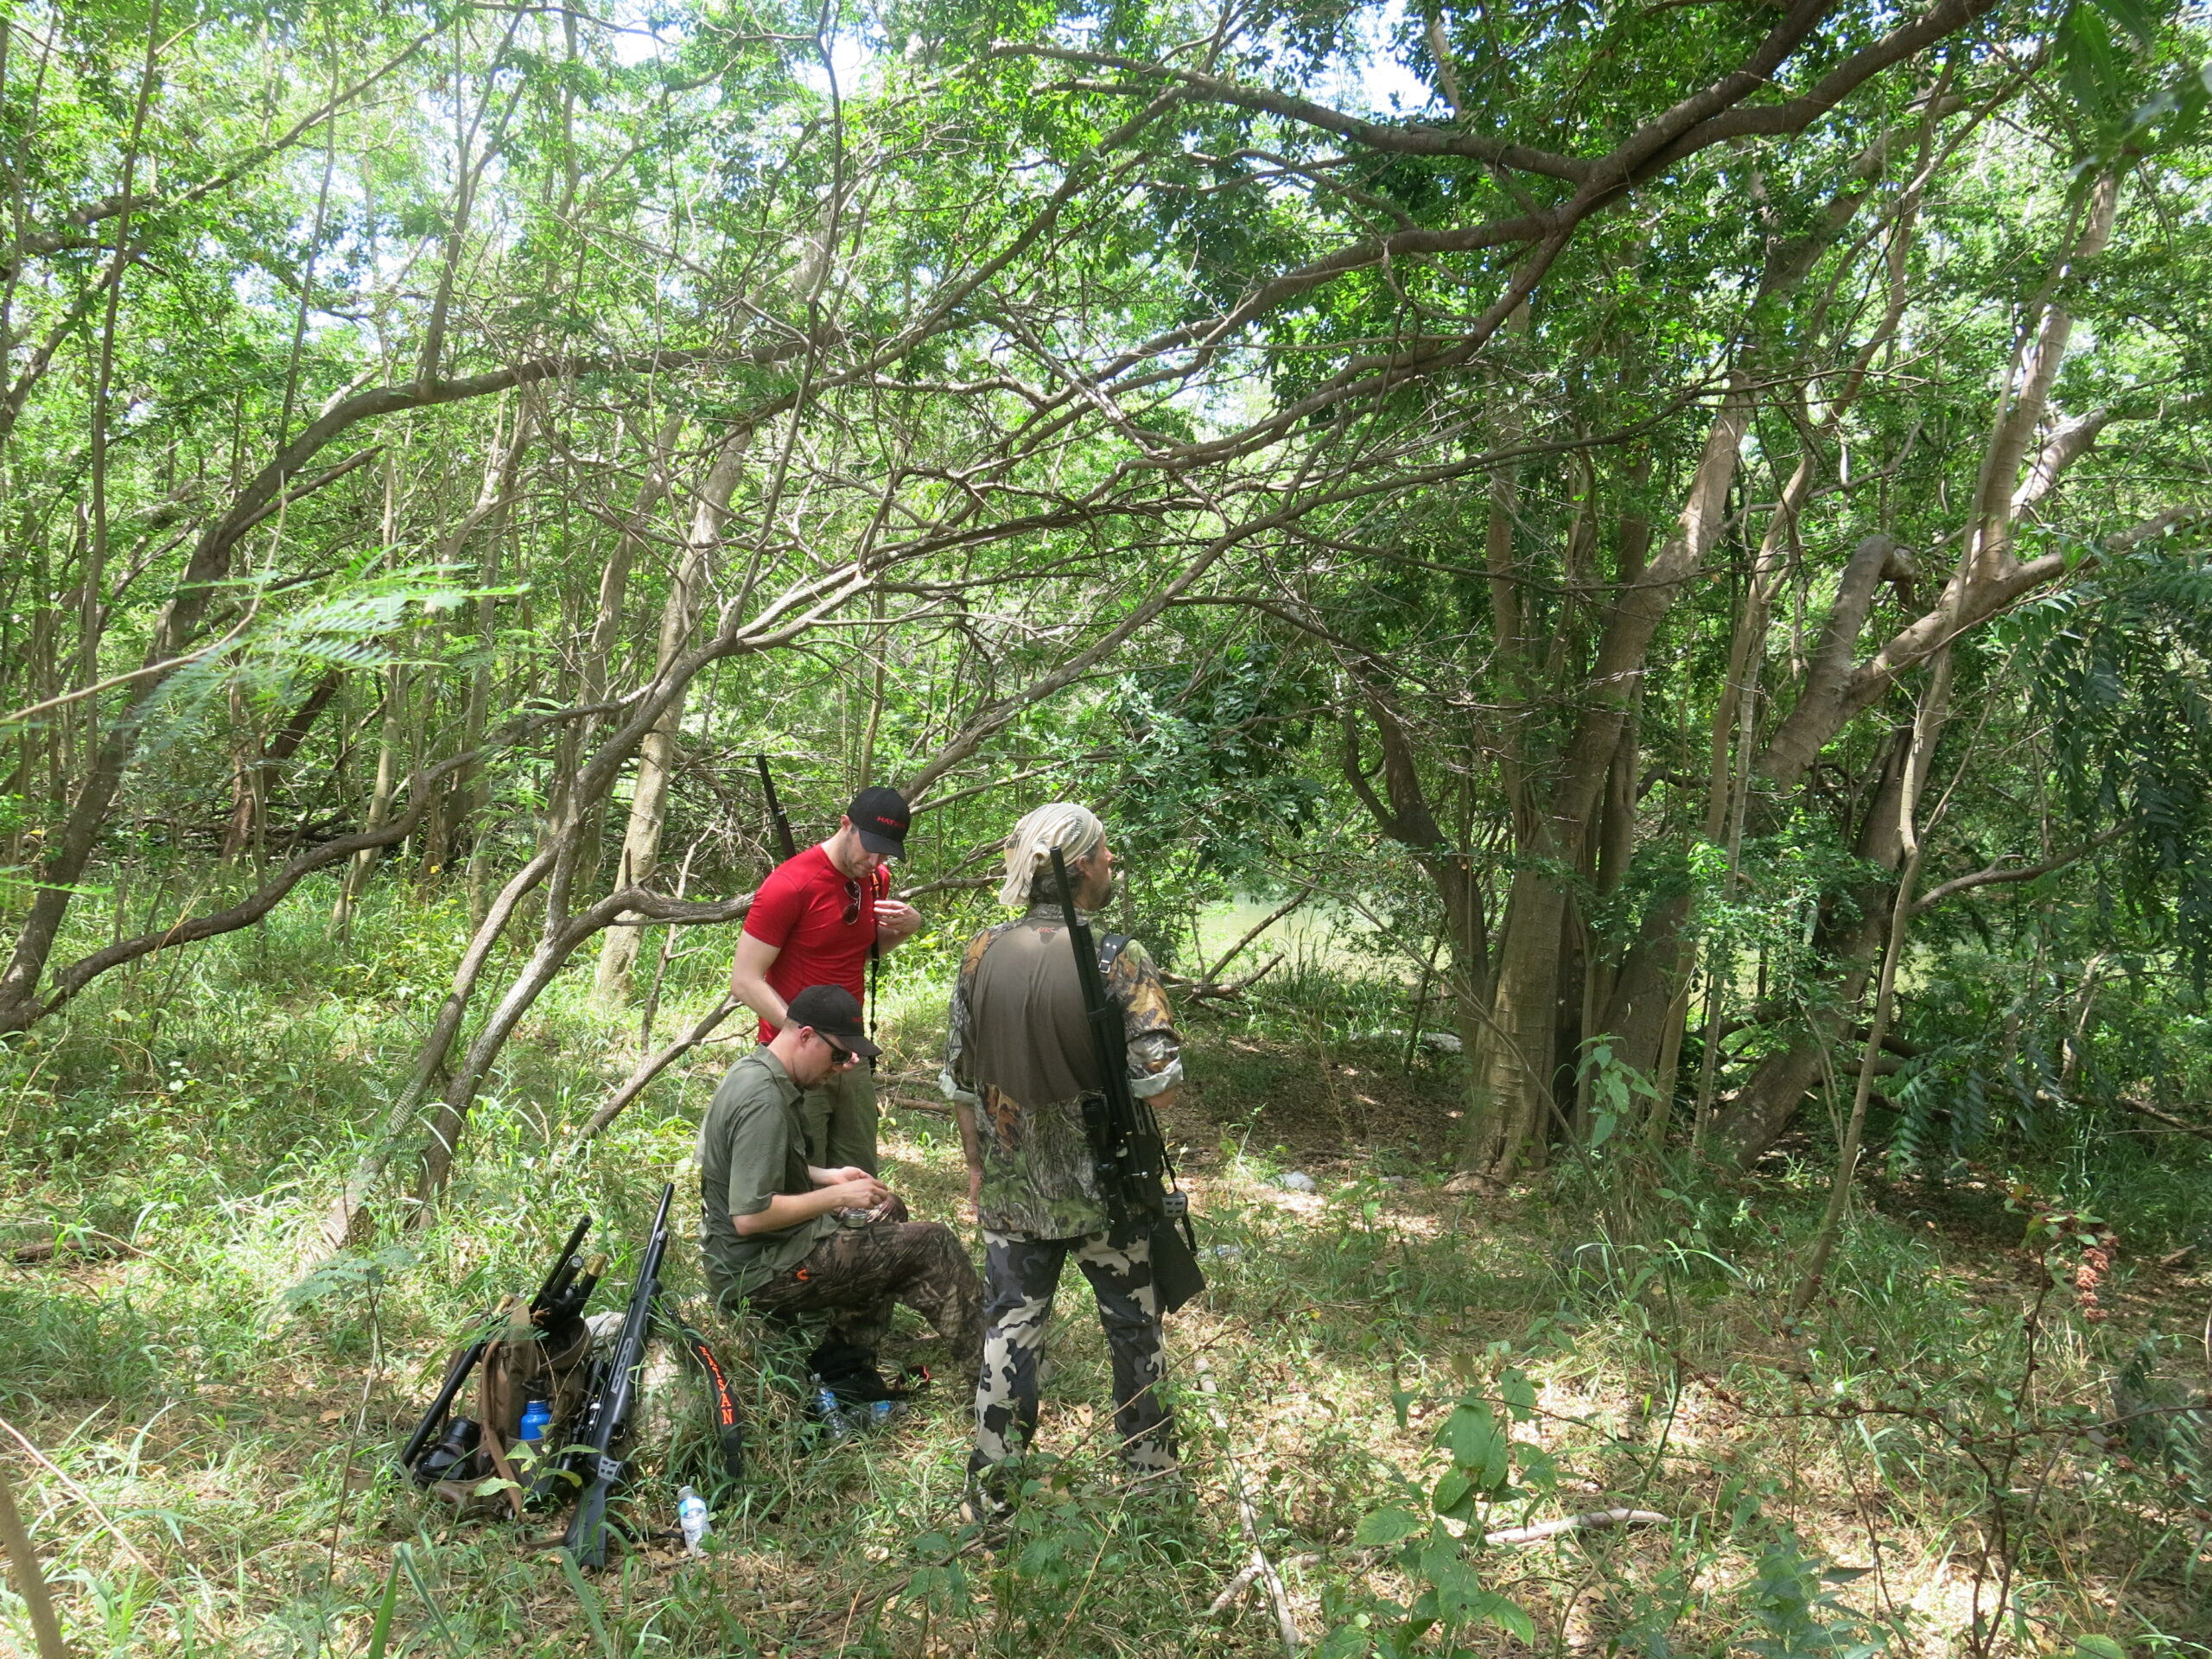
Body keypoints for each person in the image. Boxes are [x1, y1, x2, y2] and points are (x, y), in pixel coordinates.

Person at [942, 803, 1184, 1501]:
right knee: (1135, 1334)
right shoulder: (1117, 958)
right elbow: (1161, 1086)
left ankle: (994, 1493)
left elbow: (962, 1079)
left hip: (1013, 1196)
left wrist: (978, 1168)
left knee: (1010, 1337)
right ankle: (1151, 1484)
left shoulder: (981, 952)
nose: (1113, 864)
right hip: (1107, 1194)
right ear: (1079, 867)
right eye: (1106, 854)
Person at [698, 984, 982, 1380]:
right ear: (806, 1036)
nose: (840, 1067)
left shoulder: (758, 1072)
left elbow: (747, 1167)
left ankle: (846, 1361)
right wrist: (835, 1196)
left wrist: (824, 1176)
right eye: (837, 1054)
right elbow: (750, 1215)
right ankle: (998, 1378)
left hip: (762, 1252)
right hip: (756, 1273)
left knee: (887, 1208)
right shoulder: (763, 1101)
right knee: (932, 1243)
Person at [731, 785, 924, 1175]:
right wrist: (802, 1035)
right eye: (869, 847)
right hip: (795, 1057)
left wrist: (907, 928)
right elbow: (744, 981)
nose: (875, 860)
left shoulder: (875, 879)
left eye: (885, 852)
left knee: (859, 1175)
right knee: (804, 1177)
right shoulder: (790, 884)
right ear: (845, 825)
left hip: (850, 1052)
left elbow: (859, 950)